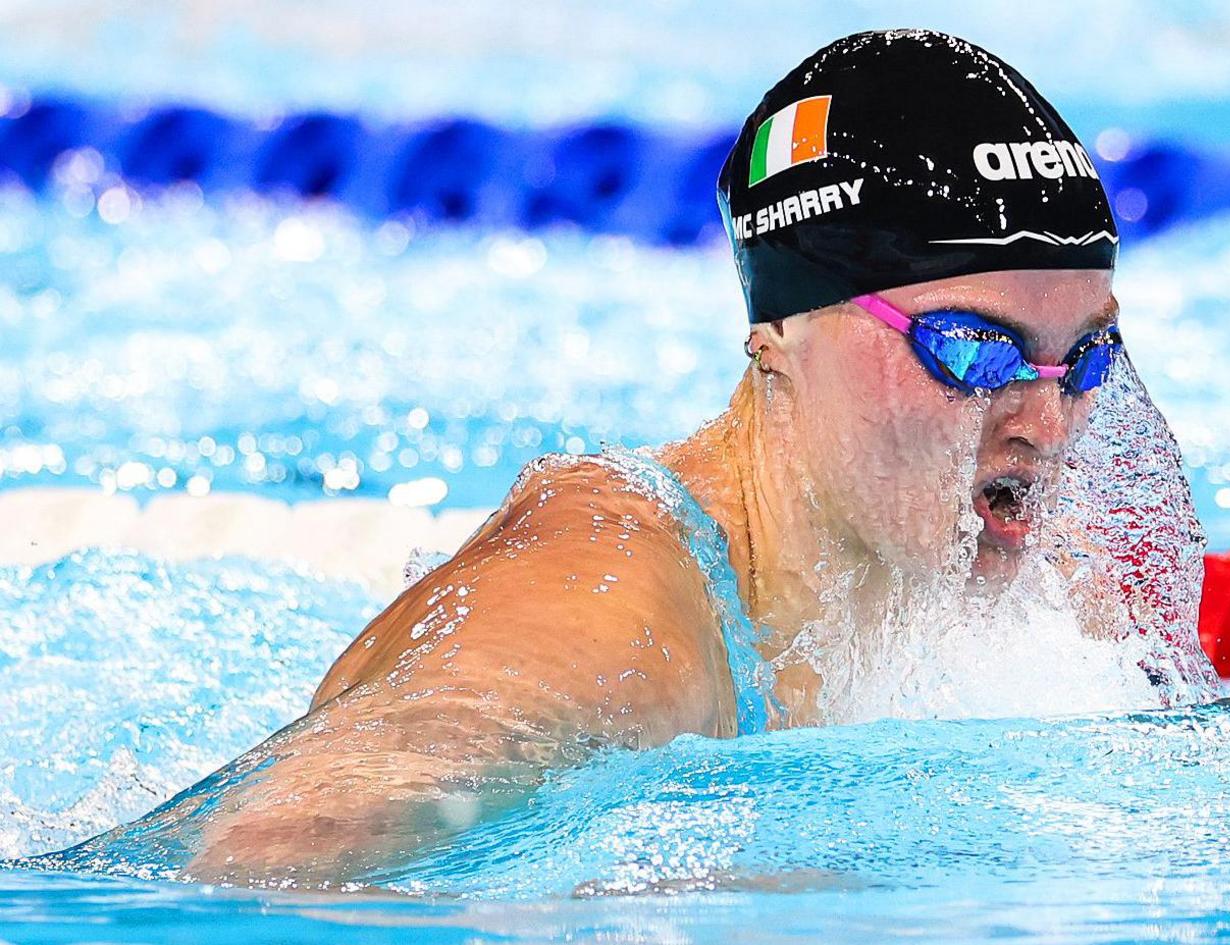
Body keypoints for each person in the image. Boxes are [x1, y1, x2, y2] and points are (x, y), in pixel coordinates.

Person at [82, 29, 1137, 887]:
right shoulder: (620, 603)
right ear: (781, 335)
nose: (1045, 421)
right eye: (971, 347)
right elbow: (277, 855)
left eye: (1087, 357)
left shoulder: (1017, 561)